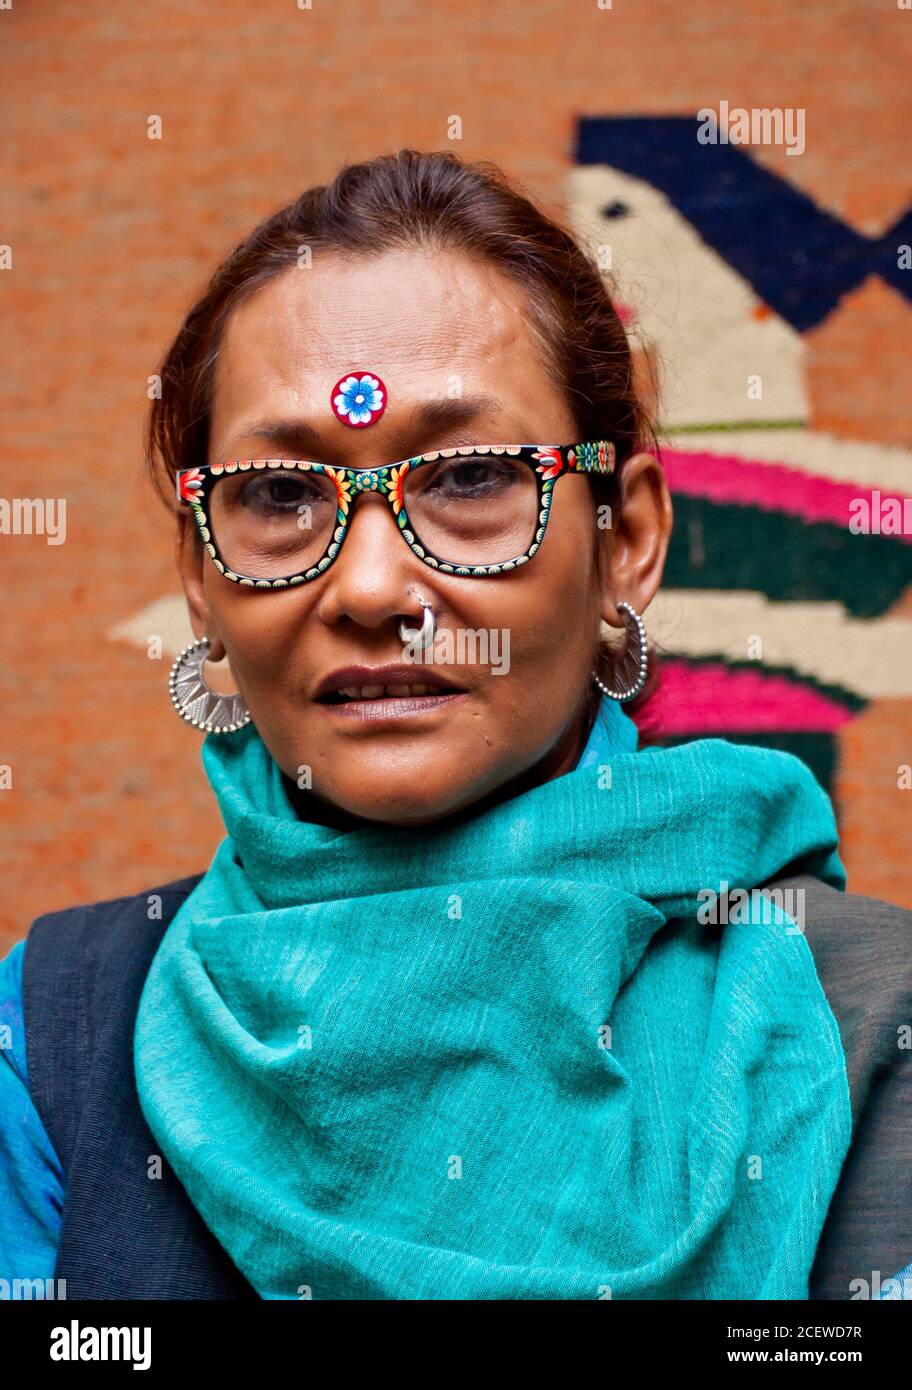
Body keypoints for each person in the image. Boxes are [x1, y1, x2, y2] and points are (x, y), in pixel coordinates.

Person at [2, 149, 910, 1302]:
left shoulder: (870, 1020)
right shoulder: (56, 1039)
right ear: (200, 574)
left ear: (624, 537)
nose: (374, 588)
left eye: (471, 478)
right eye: (282, 497)